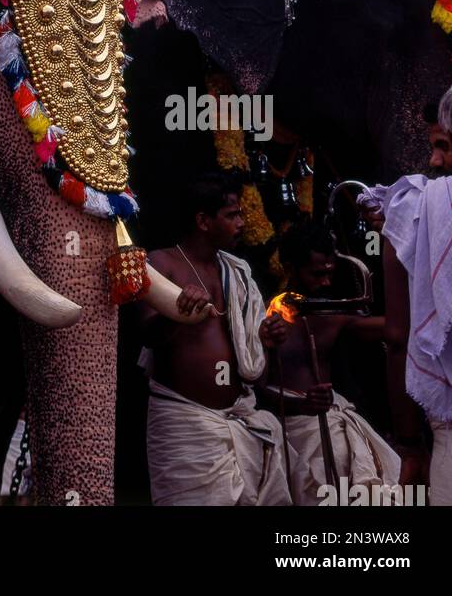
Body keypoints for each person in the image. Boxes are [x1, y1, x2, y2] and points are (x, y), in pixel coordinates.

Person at [139, 170, 292, 505]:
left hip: (238, 416)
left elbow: (255, 372)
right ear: (203, 221)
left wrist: (264, 341)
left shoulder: (237, 271)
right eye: (232, 215)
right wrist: (177, 314)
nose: (242, 223)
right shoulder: (162, 262)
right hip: (185, 423)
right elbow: (147, 336)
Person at [258, 221, 400, 506]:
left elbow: (395, 329)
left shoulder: (332, 315)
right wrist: (301, 404)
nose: (325, 283)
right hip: (283, 431)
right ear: (289, 268)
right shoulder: (262, 315)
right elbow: (253, 388)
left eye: (330, 274)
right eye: (317, 274)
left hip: (329, 424)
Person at [366, 82, 452, 506]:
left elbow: (399, 338)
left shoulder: (418, 210)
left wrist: (408, 444)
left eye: (444, 145)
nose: (434, 160)